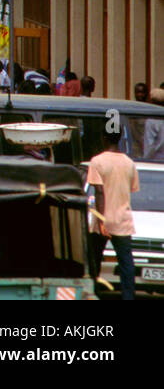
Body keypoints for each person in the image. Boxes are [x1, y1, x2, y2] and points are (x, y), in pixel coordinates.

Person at [87, 125, 139, 299]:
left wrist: (101, 221)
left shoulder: (97, 161)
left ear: (104, 138)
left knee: (94, 260)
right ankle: (128, 296)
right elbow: (131, 189)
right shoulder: (129, 163)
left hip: (103, 219)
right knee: (126, 261)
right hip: (123, 219)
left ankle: (93, 292)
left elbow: (100, 192)